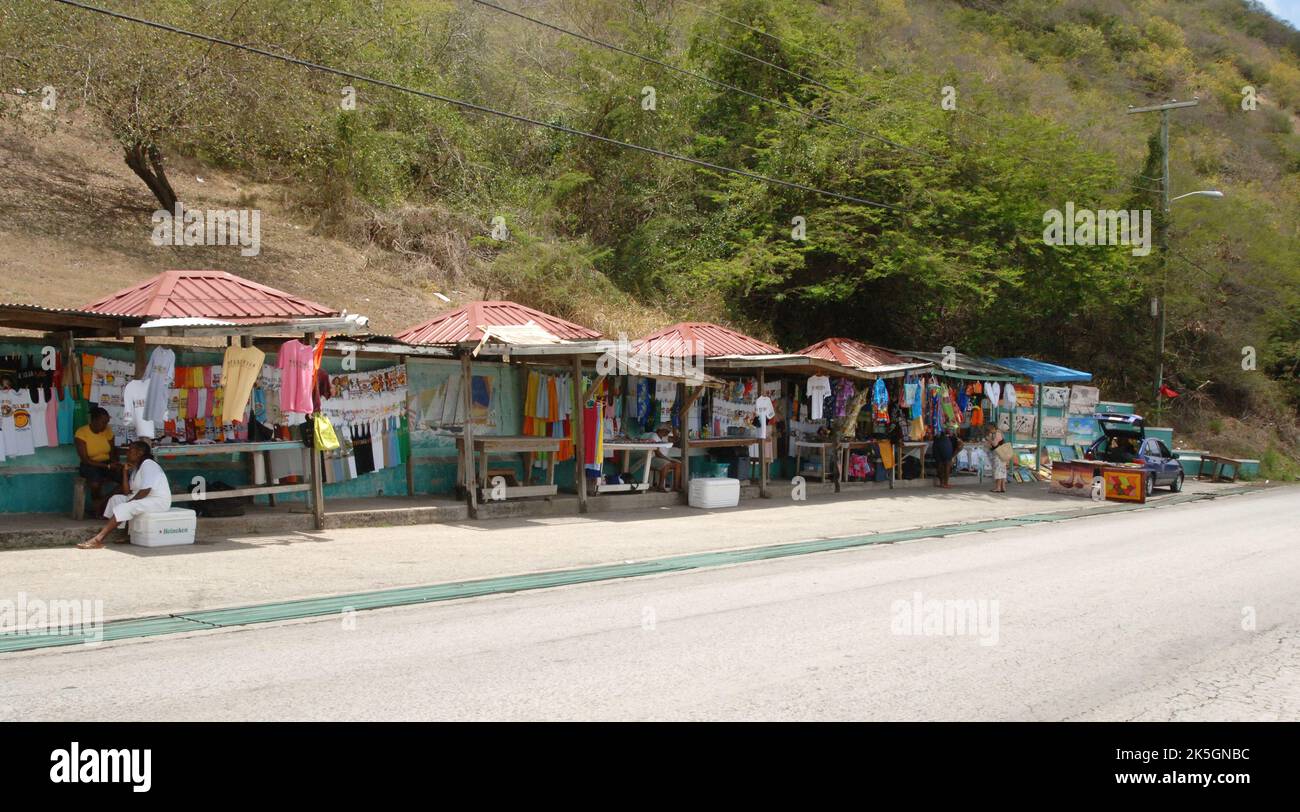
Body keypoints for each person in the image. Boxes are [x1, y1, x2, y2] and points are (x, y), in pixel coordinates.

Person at [78, 440, 172, 549]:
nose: (127, 454)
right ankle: (127, 534)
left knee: (126, 506)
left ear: (140, 453)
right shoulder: (137, 468)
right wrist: (124, 472)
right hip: (146, 499)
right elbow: (127, 492)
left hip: (158, 501)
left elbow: (145, 491)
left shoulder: (149, 464)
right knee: (116, 499)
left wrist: (129, 502)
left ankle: (98, 539)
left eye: (130, 450)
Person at [74, 406, 122, 516]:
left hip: (107, 463)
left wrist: (115, 463)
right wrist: (108, 467)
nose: (105, 425)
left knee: (126, 480)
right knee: (95, 483)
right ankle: (99, 508)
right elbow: (85, 460)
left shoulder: (107, 431)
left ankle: (101, 503)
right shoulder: (81, 432)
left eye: (107, 422)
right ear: (94, 420)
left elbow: (112, 451)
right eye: (103, 422)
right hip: (90, 465)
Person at [648, 424, 682, 492]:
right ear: (661, 430)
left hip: (664, 458)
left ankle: (676, 486)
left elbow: (676, 439)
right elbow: (658, 454)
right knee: (667, 464)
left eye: (668, 431)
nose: (667, 433)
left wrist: (674, 429)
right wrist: (668, 459)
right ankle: (660, 486)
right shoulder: (654, 437)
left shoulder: (665, 437)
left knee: (679, 464)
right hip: (653, 458)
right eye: (666, 431)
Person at [987, 427, 1008, 493]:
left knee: (998, 470)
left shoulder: (997, 434)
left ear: (993, 427)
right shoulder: (1000, 433)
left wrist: (989, 439)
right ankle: (1003, 487)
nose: (989, 429)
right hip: (1002, 454)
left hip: (998, 454)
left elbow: (994, 444)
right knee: (1002, 470)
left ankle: (998, 487)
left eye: (990, 428)